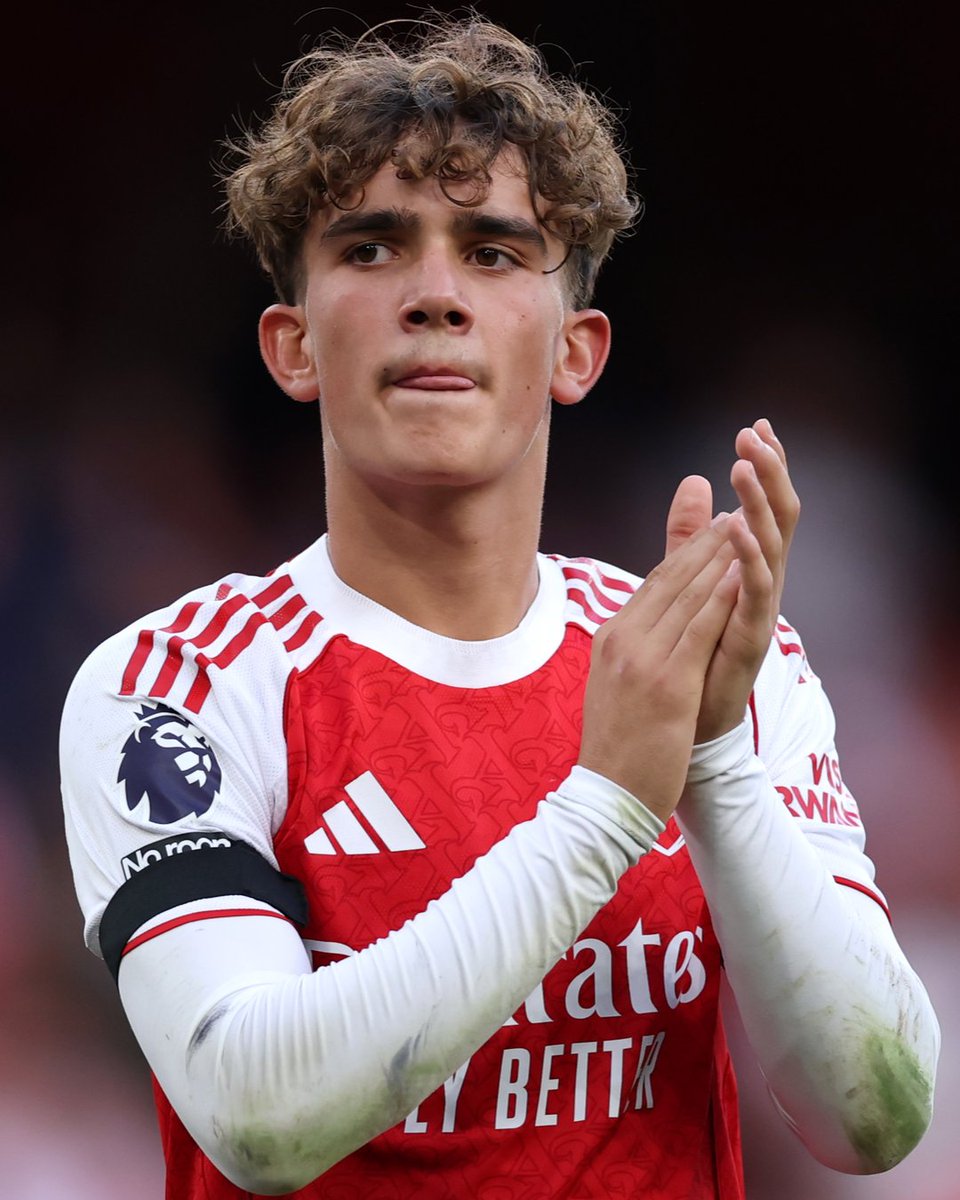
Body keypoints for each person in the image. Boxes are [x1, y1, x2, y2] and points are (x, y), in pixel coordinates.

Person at [59, 16, 939, 1199]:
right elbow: (257, 1117)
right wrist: (609, 803)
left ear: (577, 351)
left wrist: (713, 759)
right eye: (373, 248)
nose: (435, 295)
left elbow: (877, 1116)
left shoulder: (715, 663)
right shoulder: (178, 685)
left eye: (491, 252)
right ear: (292, 347)